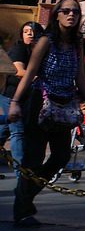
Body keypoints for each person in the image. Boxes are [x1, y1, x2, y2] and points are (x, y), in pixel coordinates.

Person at [7, 0, 85, 226]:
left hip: (65, 105)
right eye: (66, 11)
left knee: (61, 156)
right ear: (56, 14)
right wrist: (15, 101)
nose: (71, 15)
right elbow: (30, 73)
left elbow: (80, 78)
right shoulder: (46, 41)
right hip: (41, 103)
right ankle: (23, 210)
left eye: (75, 12)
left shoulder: (77, 43)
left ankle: (26, 197)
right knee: (33, 158)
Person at [3, 21, 38, 172]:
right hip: (10, 97)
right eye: (26, 31)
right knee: (18, 132)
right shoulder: (19, 48)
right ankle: (21, 173)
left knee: (4, 131)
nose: (30, 34)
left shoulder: (37, 52)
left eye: (33, 31)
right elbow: (19, 71)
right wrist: (40, 78)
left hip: (24, 99)